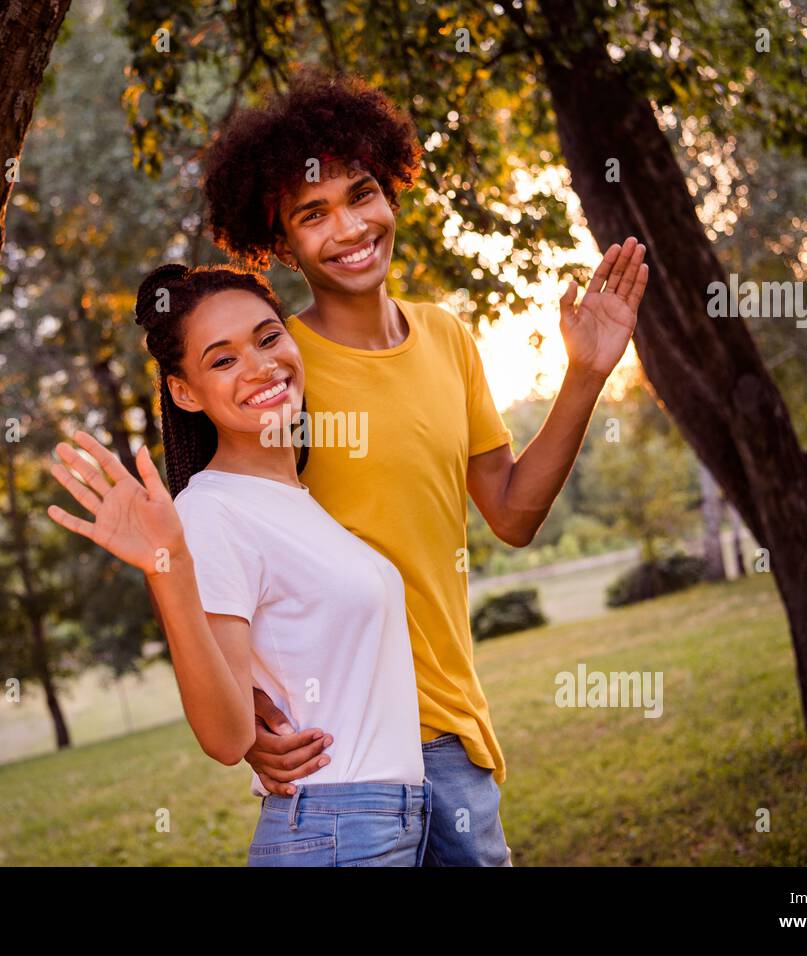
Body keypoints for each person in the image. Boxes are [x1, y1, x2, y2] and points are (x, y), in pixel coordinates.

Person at [199, 68, 650, 865]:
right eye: (313, 214)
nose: (348, 227)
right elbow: (211, 532)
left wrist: (585, 375)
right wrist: (249, 712)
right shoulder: (273, 368)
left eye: (362, 193)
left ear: (393, 190)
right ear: (280, 241)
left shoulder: (446, 337)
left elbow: (511, 514)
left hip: (452, 734)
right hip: (343, 751)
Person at [47, 264, 431, 866]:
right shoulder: (211, 512)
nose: (259, 367)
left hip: (385, 820)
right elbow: (226, 737)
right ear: (185, 392)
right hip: (336, 829)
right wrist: (165, 569)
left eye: (268, 337)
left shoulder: (299, 499)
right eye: (222, 360)